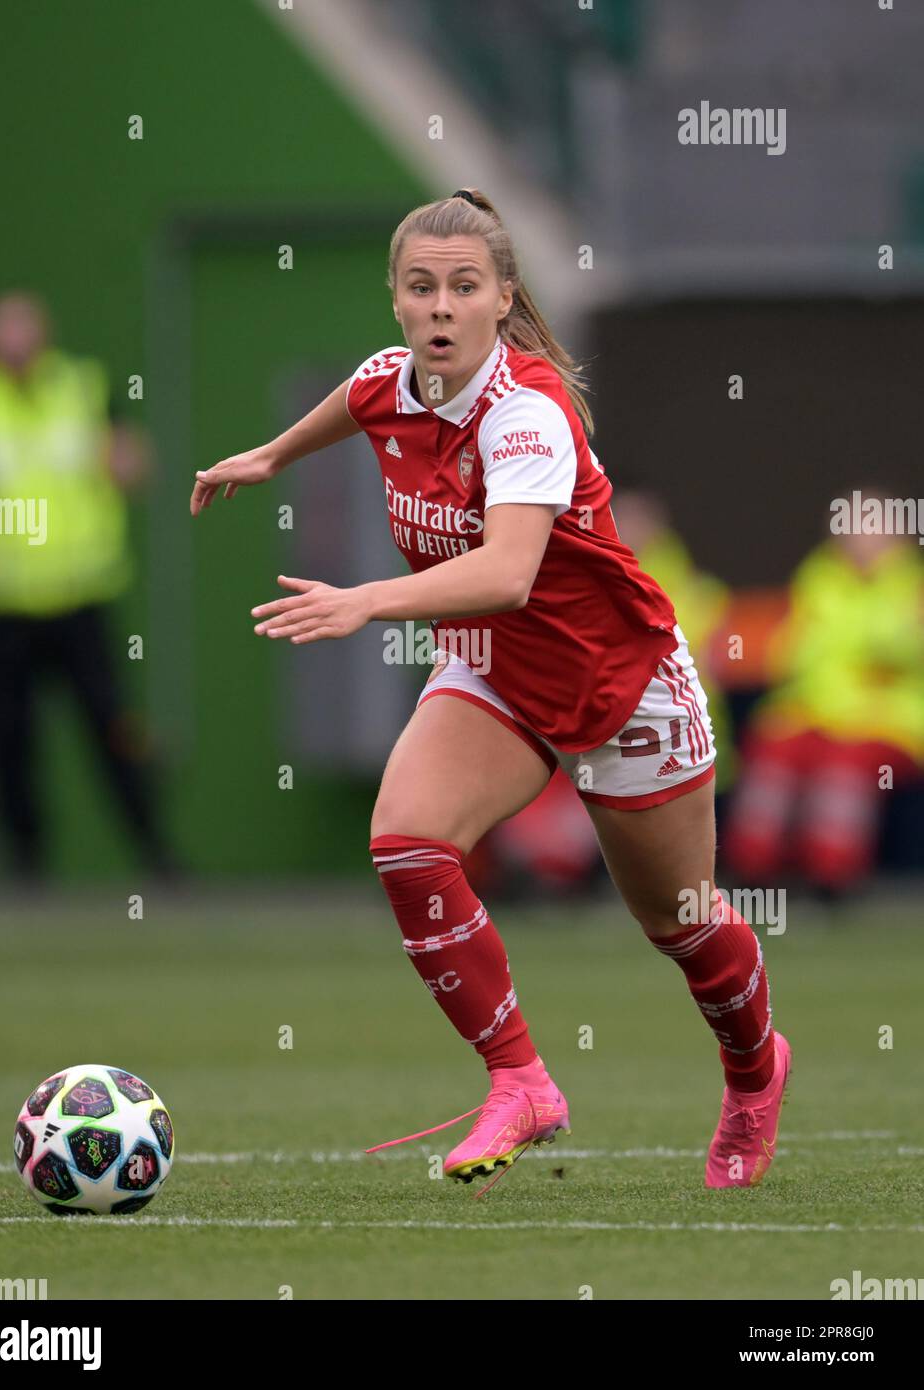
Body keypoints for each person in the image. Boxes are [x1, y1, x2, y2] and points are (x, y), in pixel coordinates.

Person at [190, 189, 791, 1193]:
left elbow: (510, 570)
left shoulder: (526, 410)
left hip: (619, 681)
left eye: (462, 287)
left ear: (500, 297)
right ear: (394, 298)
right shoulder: (393, 380)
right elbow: (361, 395)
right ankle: (519, 1078)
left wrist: (365, 601)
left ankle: (752, 1068)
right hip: (494, 665)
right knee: (405, 843)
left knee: (679, 922)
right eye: (419, 286)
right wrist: (269, 455)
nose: (439, 306)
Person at [0, 291, 175, 881]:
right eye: (4, 333)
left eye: (25, 331)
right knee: (8, 744)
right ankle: (27, 871)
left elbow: (136, 465)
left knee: (113, 733)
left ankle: (158, 857)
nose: (16, 345)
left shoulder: (82, 389)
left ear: (43, 334)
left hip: (81, 600)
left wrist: (123, 461)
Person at [724, 508, 924, 896]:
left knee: (842, 772)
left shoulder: (912, 589)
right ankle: (752, 876)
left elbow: (904, 650)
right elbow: (789, 655)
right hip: (814, 715)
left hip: (888, 722)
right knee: (771, 757)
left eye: (873, 526)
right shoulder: (817, 581)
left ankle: (830, 880)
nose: (861, 538)